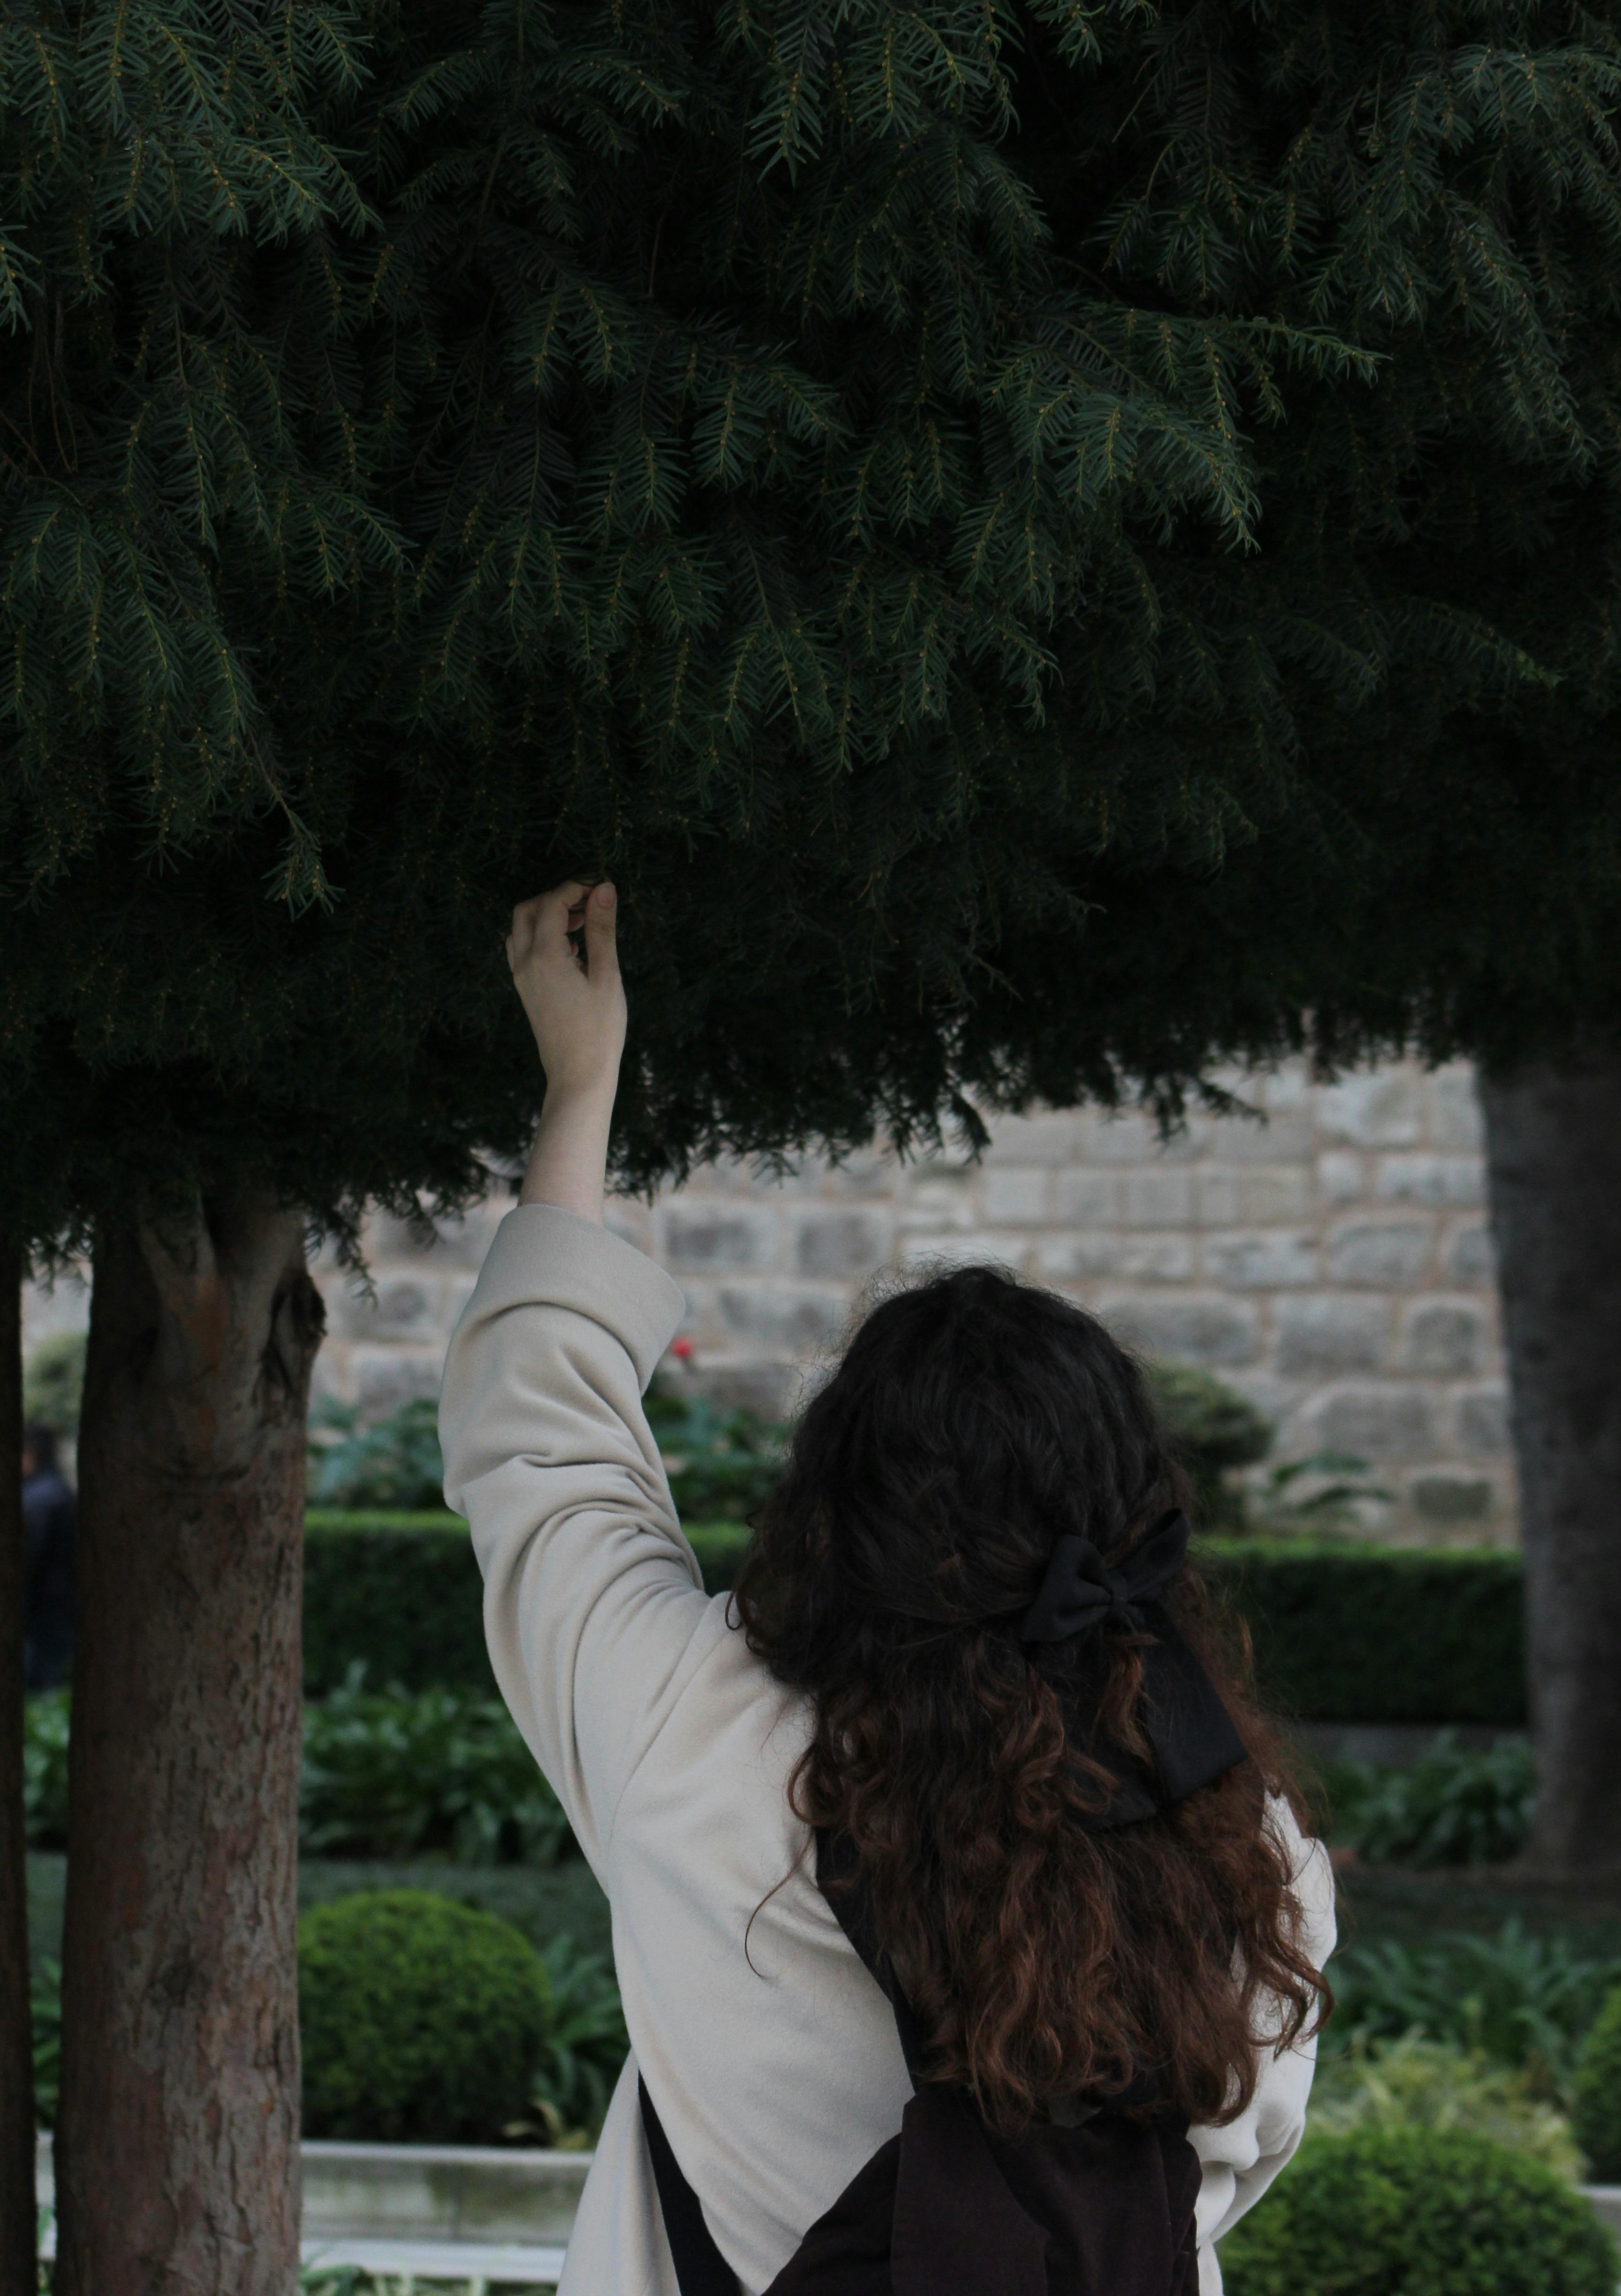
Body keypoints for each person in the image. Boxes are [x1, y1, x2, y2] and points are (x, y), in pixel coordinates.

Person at [438, 879, 1337, 2296]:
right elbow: (1226, 2163)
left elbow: (539, 1445)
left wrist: (582, 1081)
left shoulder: (681, 1732)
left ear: (834, 1510)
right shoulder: (1239, 1836)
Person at [21, 1420, 75, 1690]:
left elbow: (27, 1559)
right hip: (55, 1613)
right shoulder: (54, 1491)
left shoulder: (37, 1499)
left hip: (43, 1616)